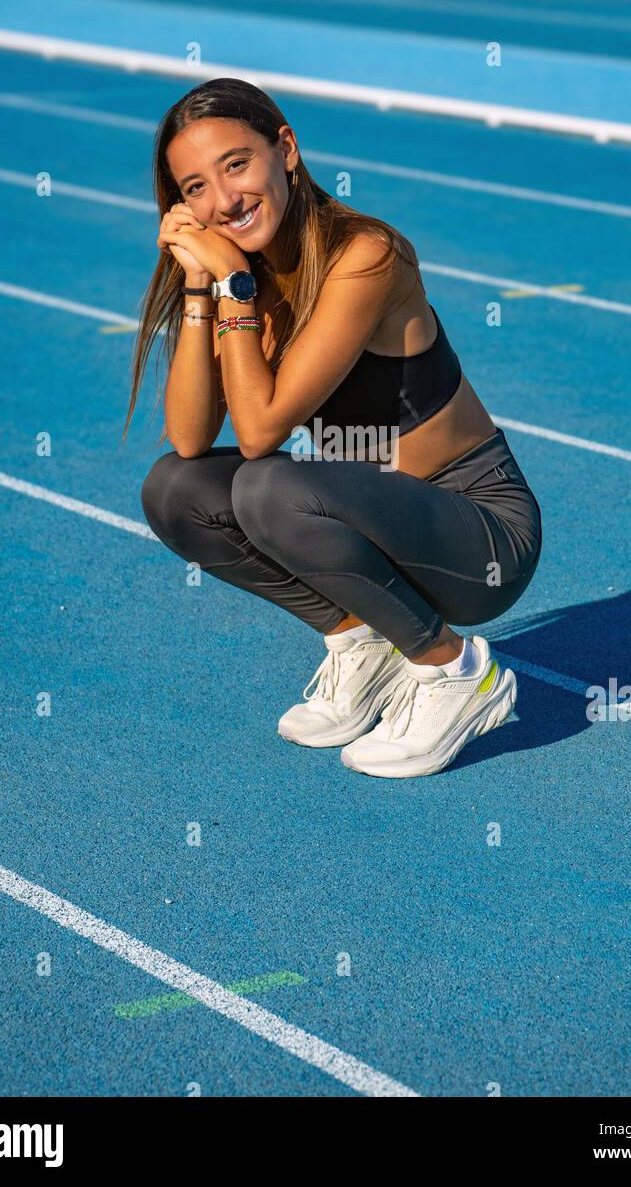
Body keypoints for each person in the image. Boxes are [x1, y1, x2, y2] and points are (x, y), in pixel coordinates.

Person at [126, 78, 542, 778]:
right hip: (376, 522)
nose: (223, 199)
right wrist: (201, 284)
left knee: (267, 487)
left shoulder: (365, 255)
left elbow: (258, 435)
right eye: (194, 187)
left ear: (284, 150)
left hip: (478, 533)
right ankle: (362, 645)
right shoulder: (247, 275)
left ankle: (456, 673)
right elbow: (192, 438)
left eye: (236, 164)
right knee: (174, 489)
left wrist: (231, 283)